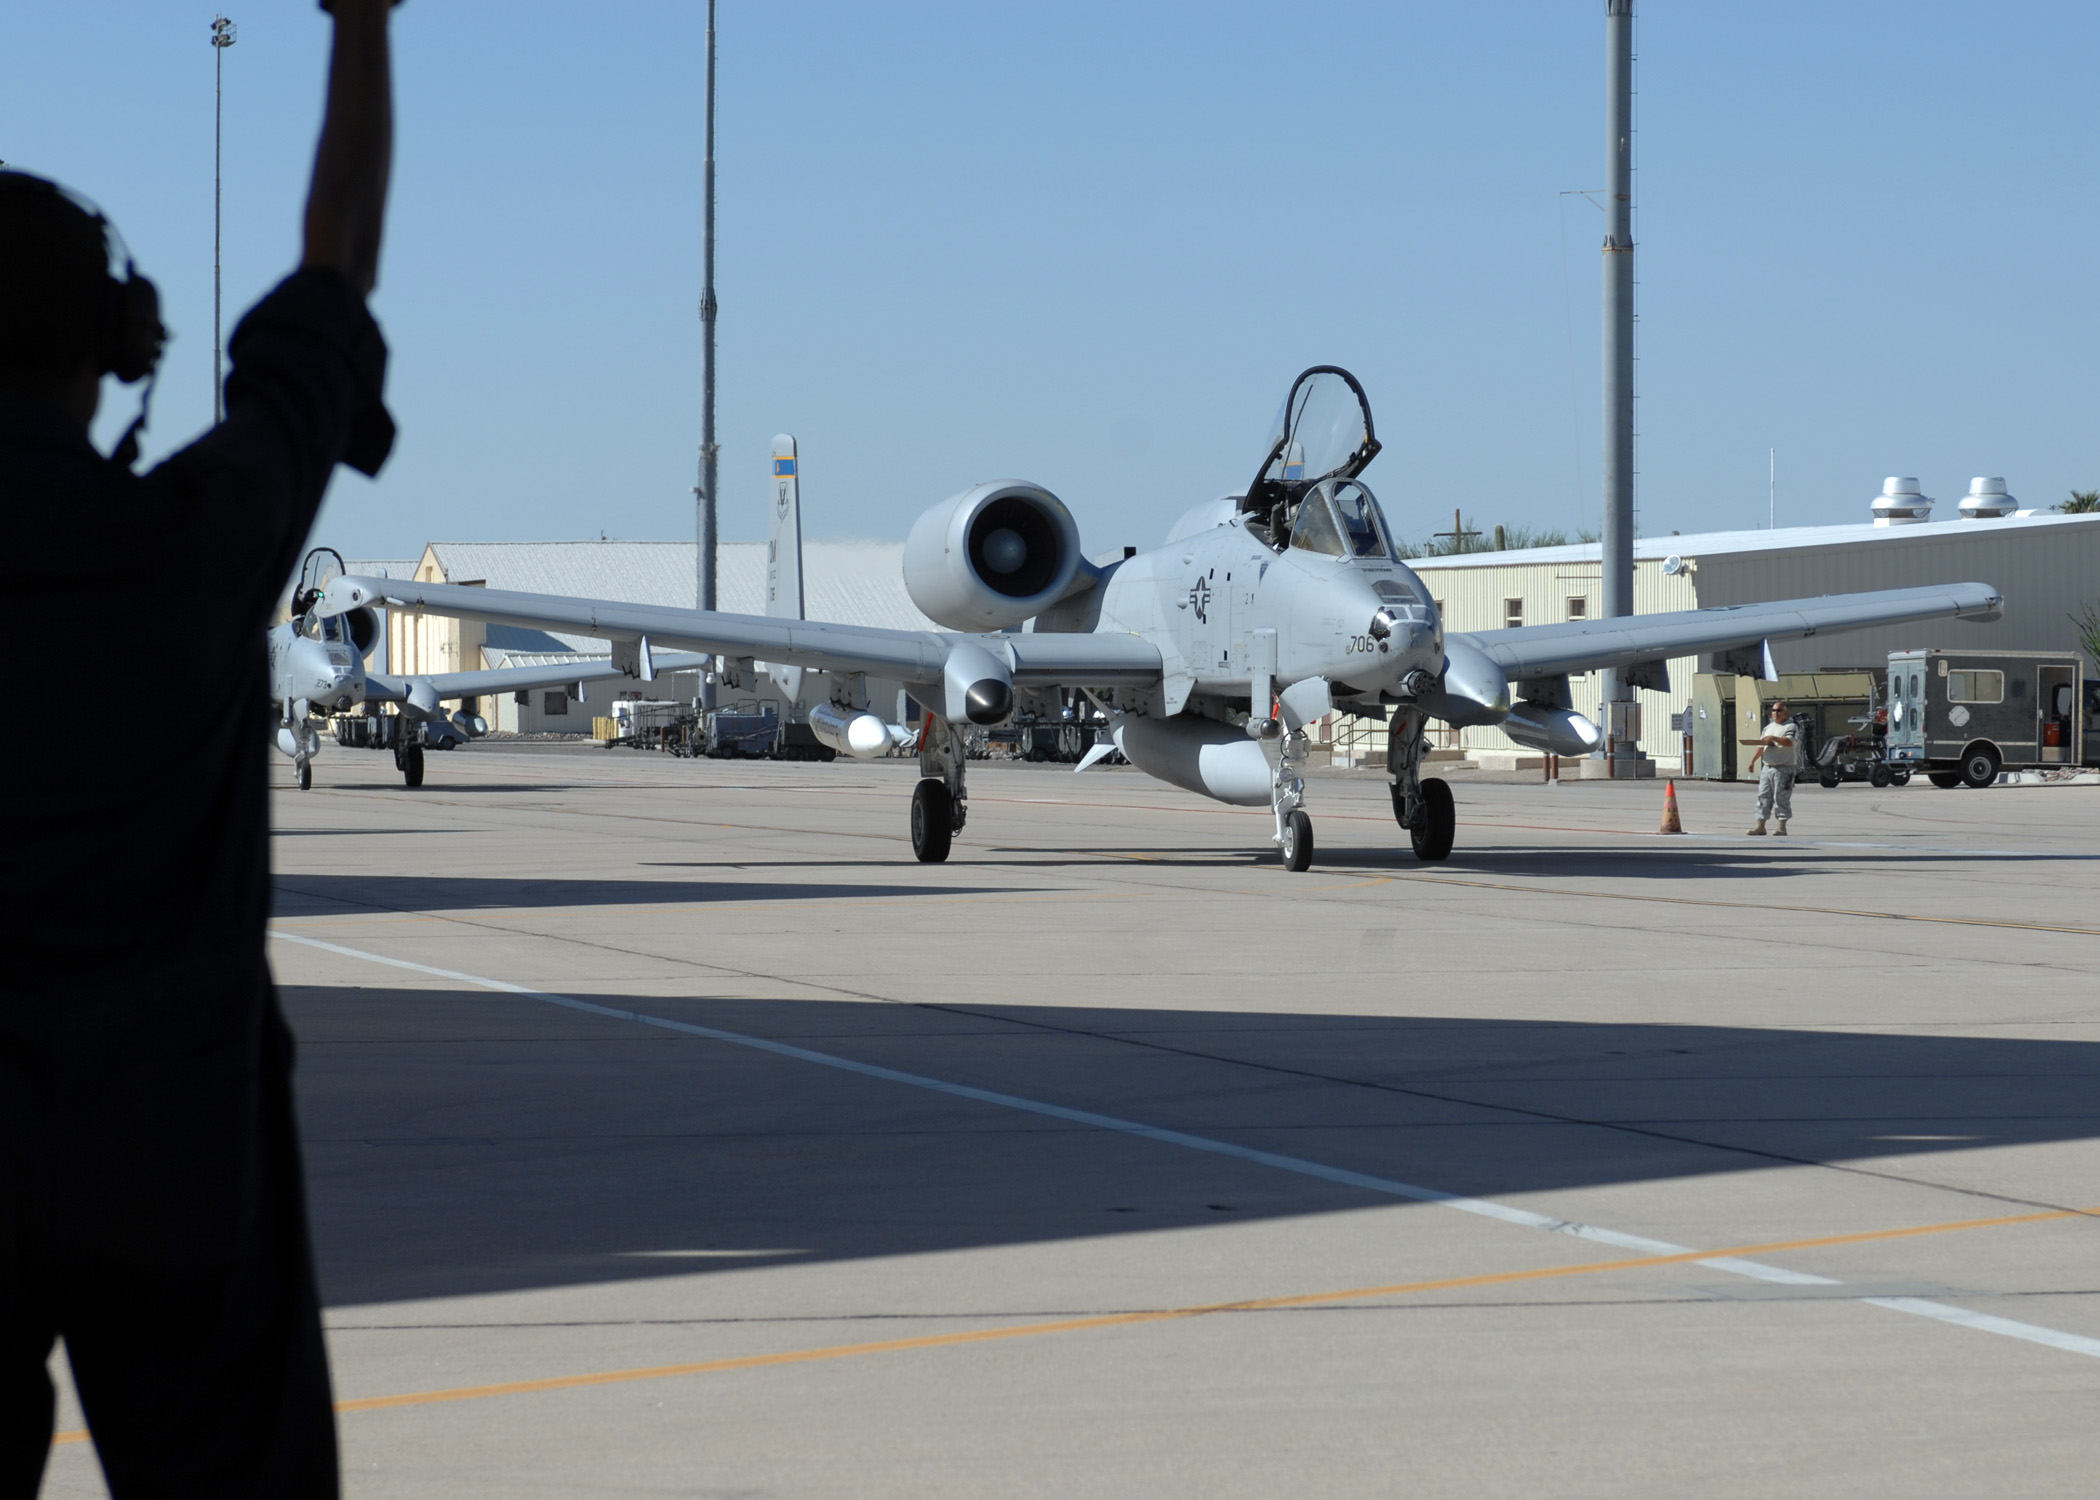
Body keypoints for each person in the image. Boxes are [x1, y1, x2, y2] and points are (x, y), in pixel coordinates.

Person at [2, 4, 400, 1494]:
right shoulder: (196, 538)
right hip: (175, 1154)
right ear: (122, 348)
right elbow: (338, 257)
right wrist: (362, 24)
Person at [1745, 699, 1798, 836]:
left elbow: (1788, 742)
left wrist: (1774, 738)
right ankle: (1760, 826)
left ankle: (1782, 826)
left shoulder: (1791, 727)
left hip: (1784, 768)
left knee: (1780, 797)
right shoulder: (1768, 728)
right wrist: (1753, 761)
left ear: (1785, 713)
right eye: (1774, 710)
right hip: (1767, 767)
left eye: (1779, 710)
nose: (1776, 713)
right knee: (1763, 796)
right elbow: (1761, 746)